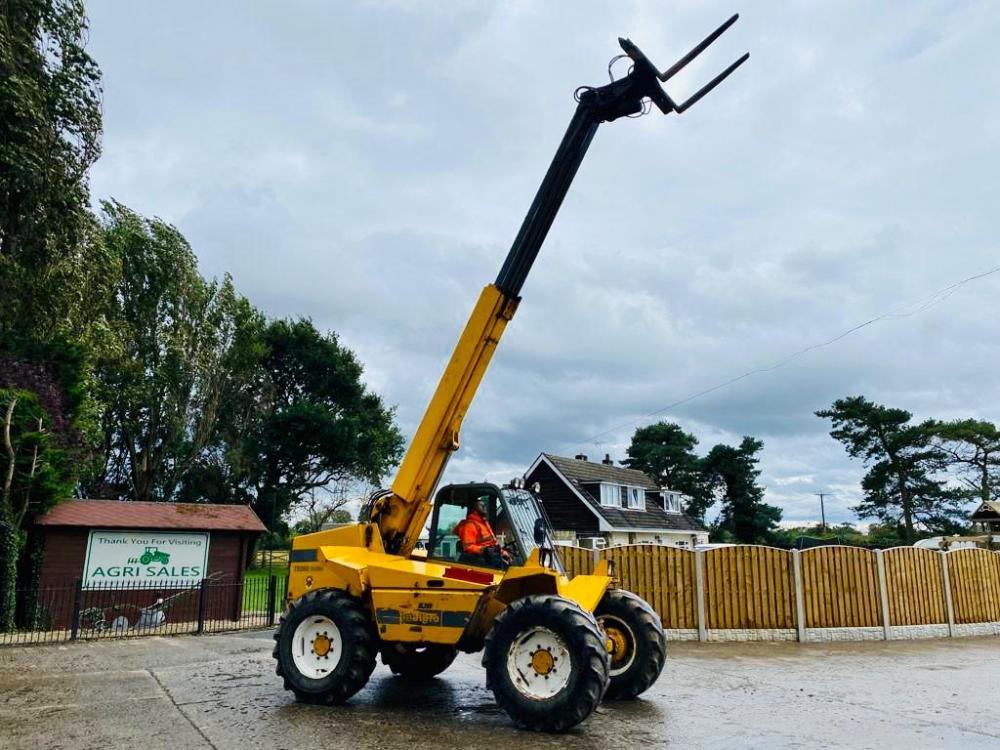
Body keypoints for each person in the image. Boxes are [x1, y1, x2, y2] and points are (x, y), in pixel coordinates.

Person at [454, 496, 511, 567]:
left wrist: (502, 552)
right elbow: (468, 547)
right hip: (483, 560)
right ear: (474, 509)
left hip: (492, 556)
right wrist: (484, 550)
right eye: (481, 505)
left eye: (484, 505)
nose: (484, 506)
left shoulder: (483, 523)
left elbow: (492, 543)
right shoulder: (470, 525)